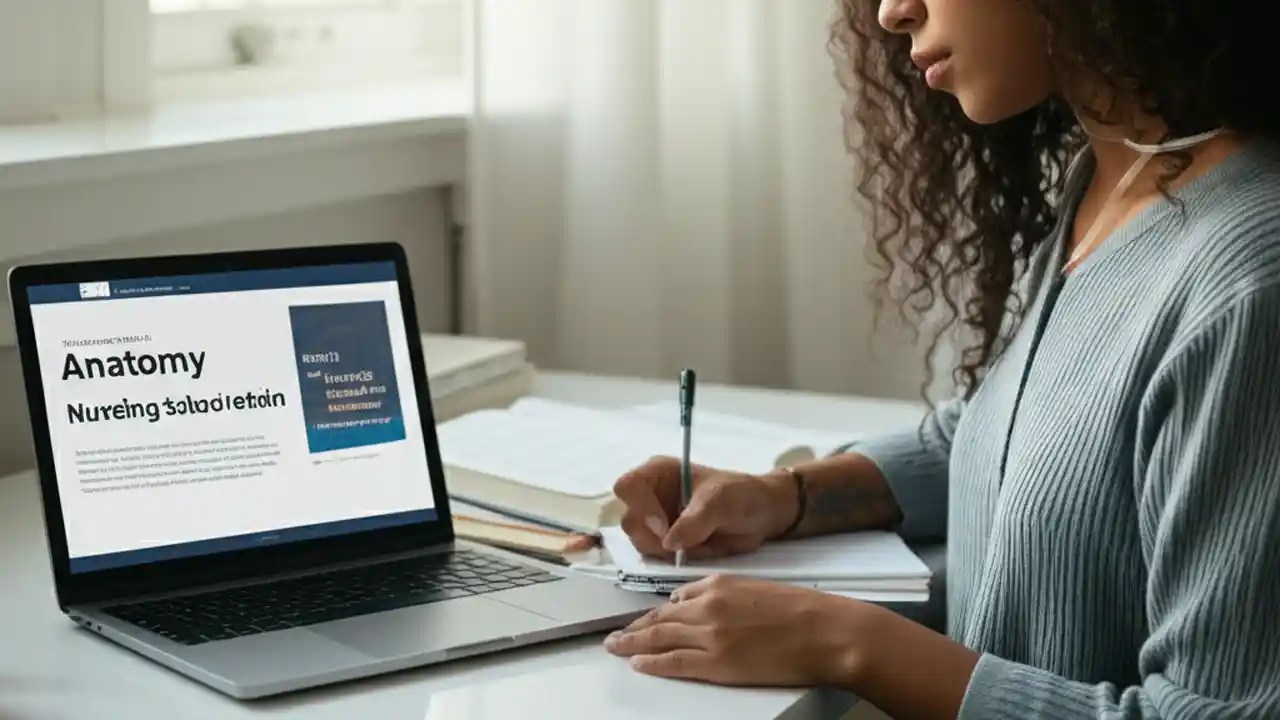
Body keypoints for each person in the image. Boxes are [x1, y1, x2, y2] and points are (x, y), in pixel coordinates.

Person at [593, 0, 1280, 717]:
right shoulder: (1113, 183)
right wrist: (786, 498)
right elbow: (1014, 428)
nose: (892, 12)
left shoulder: (1248, 280)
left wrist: (850, 644)